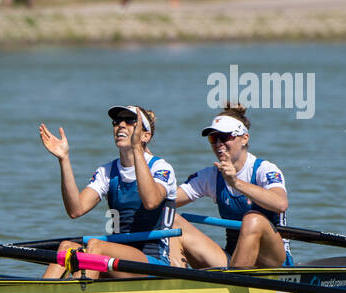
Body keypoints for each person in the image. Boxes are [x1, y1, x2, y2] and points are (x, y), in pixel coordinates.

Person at [39, 106, 178, 279]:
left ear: (145, 136)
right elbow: (76, 210)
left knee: (95, 246)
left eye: (129, 121)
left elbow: (151, 201)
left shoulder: (161, 168)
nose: (121, 125)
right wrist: (64, 159)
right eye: (117, 121)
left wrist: (136, 149)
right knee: (67, 247)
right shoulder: (107, 171)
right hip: (116, 259)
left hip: (154, 262)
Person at [172, 105, 292, 268]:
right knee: (172, 221)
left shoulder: (264, 170)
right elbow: (166, 201)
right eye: (214, 138)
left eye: (225, 137)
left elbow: (280, 203)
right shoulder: (211, 175)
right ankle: (175, 282)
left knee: (253, 219)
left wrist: (235, 183)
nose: (219, 143)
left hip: (272, 261)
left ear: (244, 138)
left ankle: (232, 283)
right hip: (232, 258)